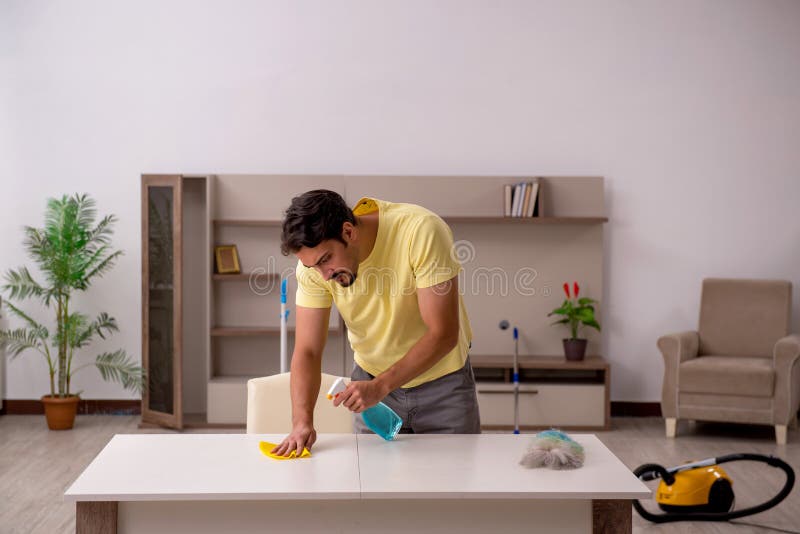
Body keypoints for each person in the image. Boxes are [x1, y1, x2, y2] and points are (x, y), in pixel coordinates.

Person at [271, 190, 480, 457]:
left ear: (348, 232)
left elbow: (444, 333)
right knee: (373, 487)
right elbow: (308, 350)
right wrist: (302, 422)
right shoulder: (315, 269)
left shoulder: (420, 231)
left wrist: (381, 386)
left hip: (443, 387)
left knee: (454, 489)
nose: (324, 276)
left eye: (326, 260)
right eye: (313, 267)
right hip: (372, 390)